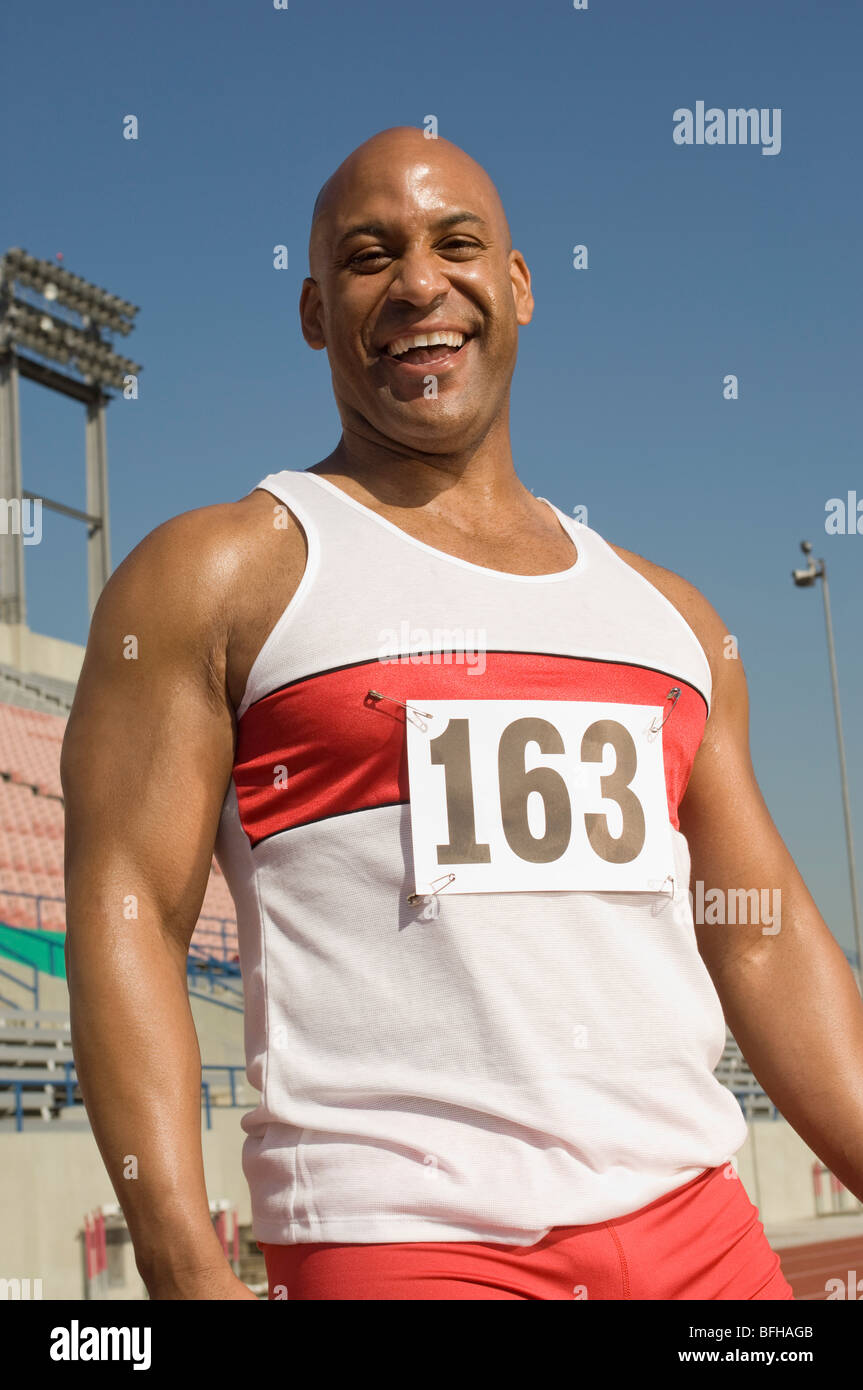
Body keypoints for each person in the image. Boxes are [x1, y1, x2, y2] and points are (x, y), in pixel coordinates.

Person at [62, 126, 863, 1301]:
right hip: (404, 1246)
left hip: (701, 1234)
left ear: (519, 284)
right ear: (314, 311)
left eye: (456, 244)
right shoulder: (220, 577)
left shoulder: (672, 622)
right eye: (370, 255)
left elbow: (755, 933)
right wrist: (184, 1265)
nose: (419, 283)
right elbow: (126, 910)